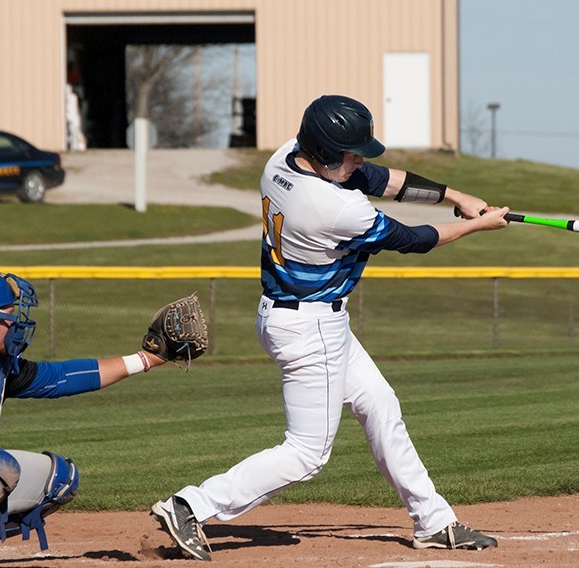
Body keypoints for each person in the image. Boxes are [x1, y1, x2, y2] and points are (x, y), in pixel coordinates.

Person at [151, 94, 510, 561]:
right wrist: (476, 226)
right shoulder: (334, 208)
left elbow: (377, 177)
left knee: (380, 405)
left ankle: (434, 521)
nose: (359, 160)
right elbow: (413, 239)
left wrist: (455, 196)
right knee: (306, 454)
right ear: (322, 153)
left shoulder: (285, 156)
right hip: (309, 326)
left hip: (303, 317)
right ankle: (190, 505)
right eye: (350, 152)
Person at [0, 268, 174, 559]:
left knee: (60, 479)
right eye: (9, 314)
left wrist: (146, 359)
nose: (17, 323)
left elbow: (62, 377)